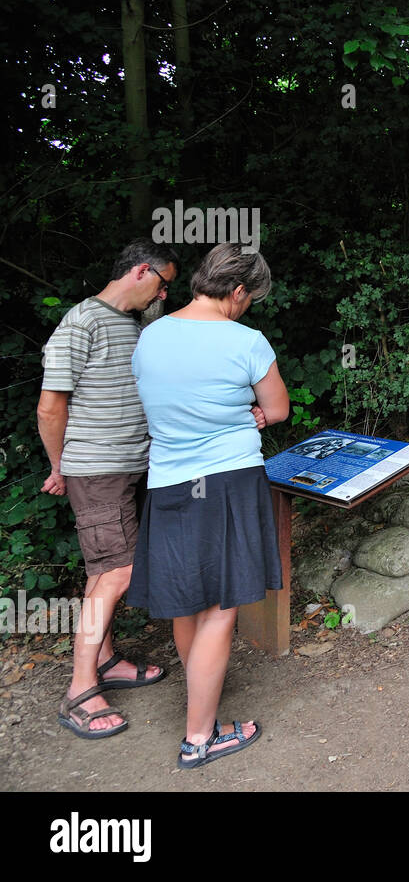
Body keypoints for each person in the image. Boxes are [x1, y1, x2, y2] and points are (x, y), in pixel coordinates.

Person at [127, 243, 289, 769]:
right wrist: (252, 417)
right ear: (237, 292)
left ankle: (201, 717)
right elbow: (278, 409)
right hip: (227, 481)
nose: (248, 308)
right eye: (250, 298)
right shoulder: (245, 340)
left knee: (187, 603)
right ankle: (199, 738)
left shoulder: (150, 335)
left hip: (169, 481)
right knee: (223, 606)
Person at [39, 240, 179, 739]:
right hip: (96, 470)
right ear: (141, 270)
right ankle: (79, 691)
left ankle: (104, 659)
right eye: (162, 283)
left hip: (128, 467)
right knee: (119, 572)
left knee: (104, 570)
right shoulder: (82, 322)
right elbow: (51, 406)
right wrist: (60, 466)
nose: (163, 294)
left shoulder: (132, 325)